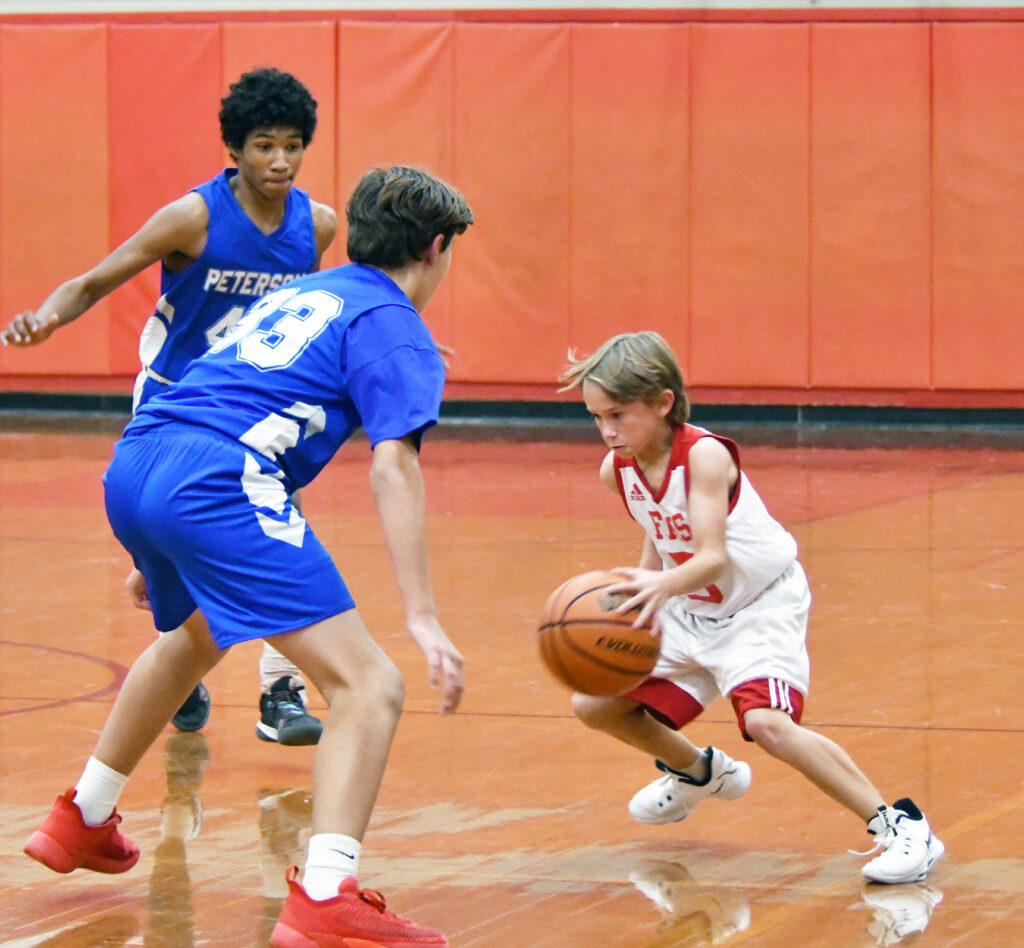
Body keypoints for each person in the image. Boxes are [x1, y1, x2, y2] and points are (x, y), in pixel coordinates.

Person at [24, 164, 472, 947]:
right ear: (435, 248)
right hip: (213, 481)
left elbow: (223, 383)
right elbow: (394, 466)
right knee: (370, 685)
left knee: (195, 635)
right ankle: (326, 895)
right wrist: (423, 615)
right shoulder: (395, 324)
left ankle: (84, 816)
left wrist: (161, 535)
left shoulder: (308, 291)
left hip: (142, 458)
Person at [1, 68, 335, 744]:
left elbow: (314, 311)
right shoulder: (194, 217)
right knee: (169, 544)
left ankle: (281, 693)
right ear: (234, 149)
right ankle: (178, 657)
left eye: (292, 146)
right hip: (176, 401)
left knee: (282, 525)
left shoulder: (317, 226)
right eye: (264, 145)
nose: (280, 160)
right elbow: (95, 280)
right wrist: (46, 318)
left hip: (253, 406)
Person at [557, 331, 944, 886]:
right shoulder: (616, 468)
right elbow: (658, 530)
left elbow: (711, 557)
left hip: (759, 606)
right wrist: (644, 589)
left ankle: (900, 826)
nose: (607, 430)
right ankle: (699, 773)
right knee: (594, 703)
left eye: (617, 415)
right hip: (692, 607)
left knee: (768, 725)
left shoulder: (705, 456)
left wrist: (656, 585)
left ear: (663, 403)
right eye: (596, 417)